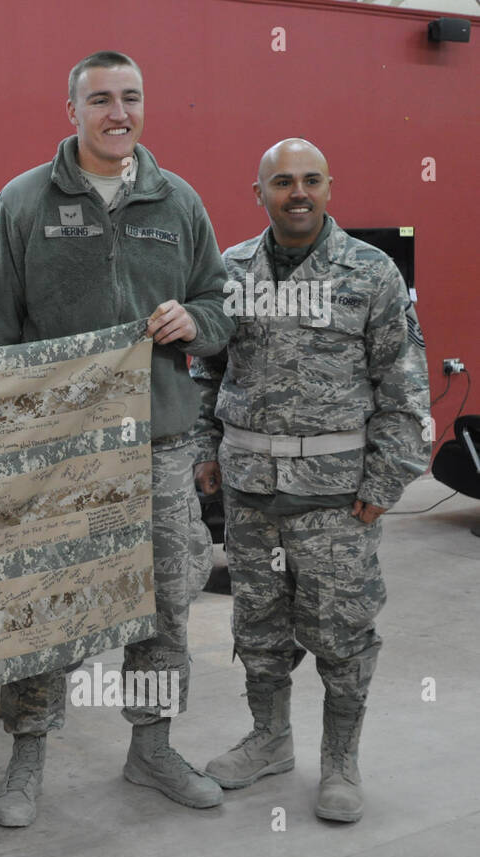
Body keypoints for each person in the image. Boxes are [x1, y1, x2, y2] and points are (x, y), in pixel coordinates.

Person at [0, 50, 235, 826]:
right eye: (100, 100)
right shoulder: (22, 203)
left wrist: (197, 320)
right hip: (60, 453)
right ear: (72, 109)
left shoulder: (177, 201)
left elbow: (219, 302)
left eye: (131, 98)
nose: (117, 113)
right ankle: (26, 757)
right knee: (47, 606)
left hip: (158, 442)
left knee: (163, 605)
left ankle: (151, 747)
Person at [191, 138, 429, 822]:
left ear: (329, 187)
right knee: (260, 626)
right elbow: (206, 371)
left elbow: (404, 387)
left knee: (342, 629)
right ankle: (269, 739)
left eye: (311, 180)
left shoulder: (370, 271)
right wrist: (208, 447)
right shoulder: (230, 270)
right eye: (283, 181)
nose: (298, 191)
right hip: (250, 495)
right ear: (258, 191)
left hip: (337, 497)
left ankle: (340, 760)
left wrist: (386, 481)